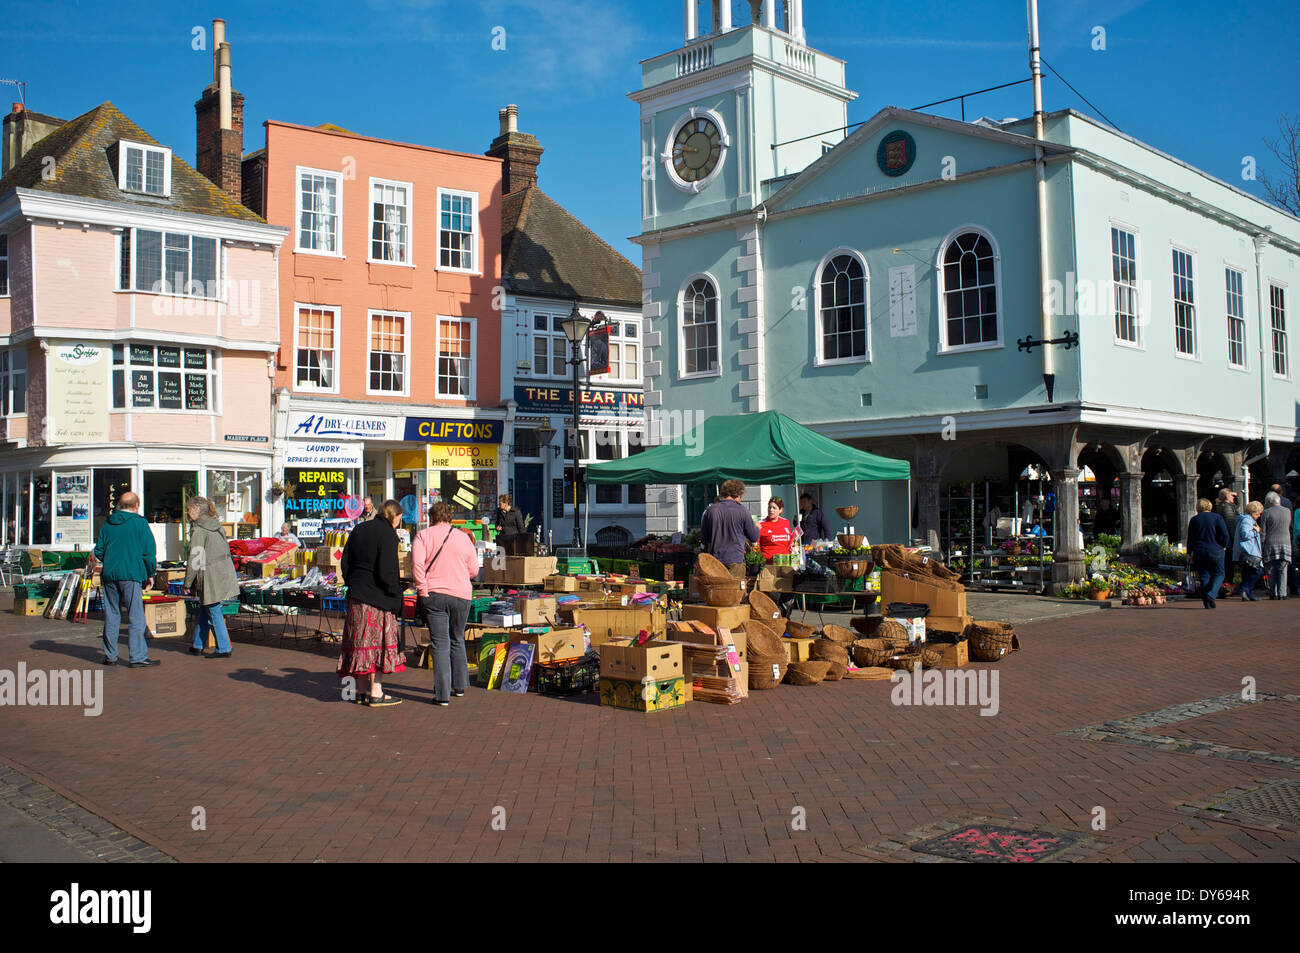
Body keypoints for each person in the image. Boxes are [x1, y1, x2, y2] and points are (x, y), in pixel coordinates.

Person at [338, 499, 406, 706]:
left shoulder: (359, 529)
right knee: (377, 646)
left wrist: (352, 582)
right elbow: (387, 571)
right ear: (394, 516)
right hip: (377, 598)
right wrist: (396, 594)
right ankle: (376, 692)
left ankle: (359, 691)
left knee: (360, 644)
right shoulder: (387, 534)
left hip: (356, 594)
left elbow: (345, 561)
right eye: (399, 519)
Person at [413, 502, 481, 707]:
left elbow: (417, 565)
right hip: (461, 594)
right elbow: (474, 570)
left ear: (431, 518)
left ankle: (442, 694)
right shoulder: (463, 537)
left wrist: (422, 589)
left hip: (434, 594)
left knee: (440, 643)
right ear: (451, 518)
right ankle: (460, 686)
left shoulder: (423, 536)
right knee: (457, 638)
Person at [92, 491, 159, 668]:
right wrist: (150, 573)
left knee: (112, 614)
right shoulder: (139, 523)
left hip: (110, 574)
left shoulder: (108, 523)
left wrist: (111, 559)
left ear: (120, 505)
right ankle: (137, 656)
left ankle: (110, 655)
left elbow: (98, 550)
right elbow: (149, 552)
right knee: (135, 615)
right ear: (136, 505)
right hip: (131, 574)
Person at [184, 496, 240, 659]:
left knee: (213, 609)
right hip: (223, 571)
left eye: (188, 509)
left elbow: (195, 557)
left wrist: (188, 582)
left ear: (196, 510)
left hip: (210, 574)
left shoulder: (199, 529)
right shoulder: (217, 525)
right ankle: (197, 644)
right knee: (205, 607)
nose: (187, 513)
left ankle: (224, 647)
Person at [699, 479, 759, 579]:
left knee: (718, 592)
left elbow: (704, 539)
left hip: (715, 561)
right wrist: (757, 527)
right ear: (739, 494)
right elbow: (753, 537)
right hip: (735, 560)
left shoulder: (710, 510)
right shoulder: (742, 510)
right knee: (734, 592)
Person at [1259, 491, 1292, 600]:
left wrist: (1262, 546)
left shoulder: (1266, 513)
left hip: (1271, 543)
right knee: (1283, 569)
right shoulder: (1287, 511)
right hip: (1285, 542)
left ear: (1269, 501)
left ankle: (1273, 592)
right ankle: (1282, 593)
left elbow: (1263, 532)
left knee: (1271, 569)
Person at [1233, 502, 1264, 601]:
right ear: (1253, 512)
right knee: (1257, 571)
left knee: (1248, 572)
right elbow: (1245, 535)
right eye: (1258, 513)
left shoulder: (1247, 520)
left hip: (1249, 550)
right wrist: (1256, 531)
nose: (1259, 515)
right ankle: (1245, 588)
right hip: (1249, 551)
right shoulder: (1247, 520)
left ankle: (1248, 592)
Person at [758, 498, 794, 562]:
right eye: (769, 507)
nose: (771, 510)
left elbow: (790, 541)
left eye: (774, 508)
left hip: (785, 562)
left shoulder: (786, 522)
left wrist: (793, 545)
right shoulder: (761, 524)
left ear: (780, 510)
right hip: (769, 564)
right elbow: (755, 546)